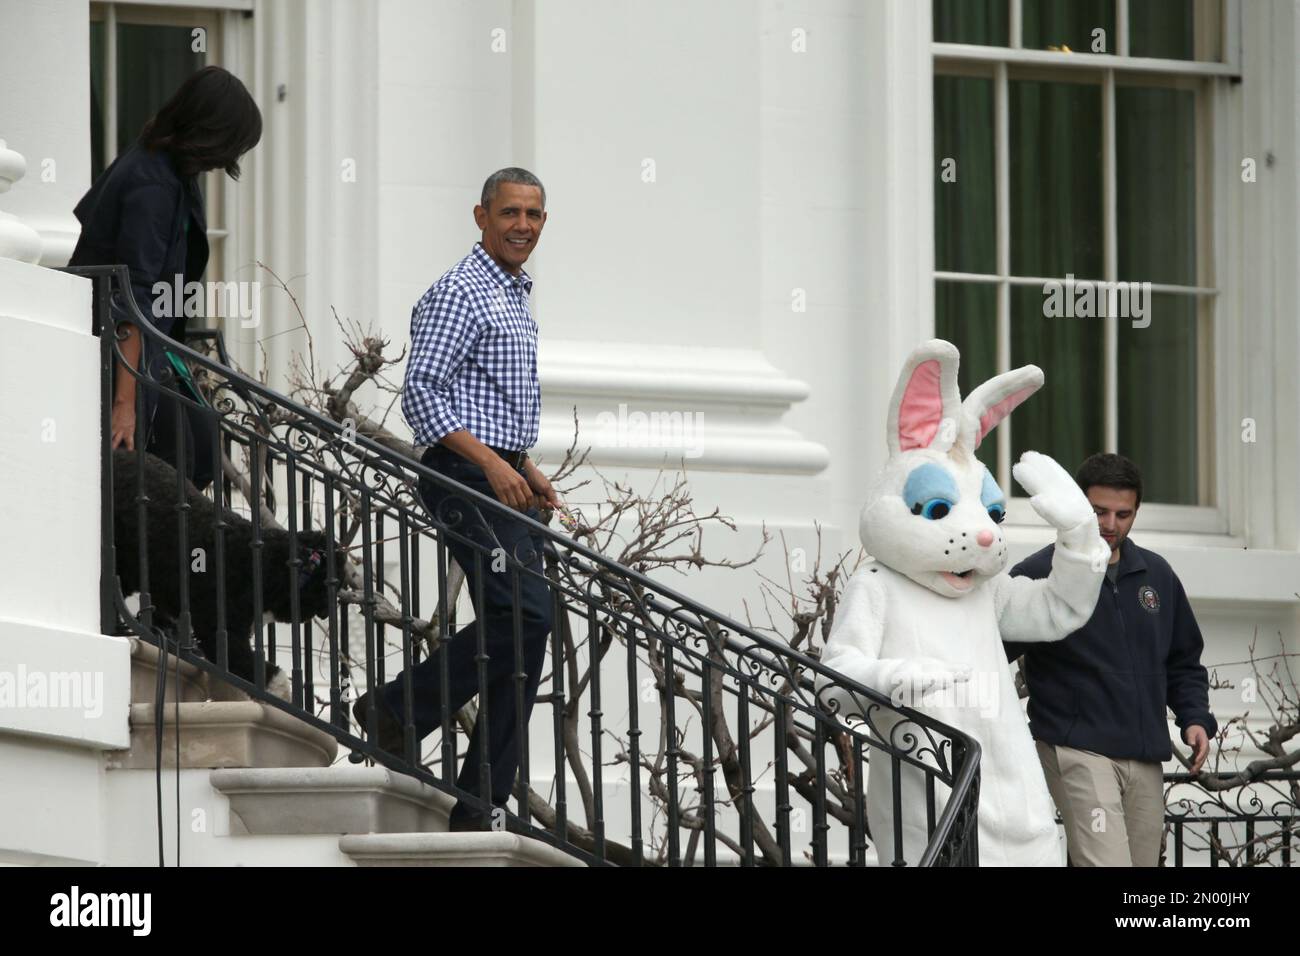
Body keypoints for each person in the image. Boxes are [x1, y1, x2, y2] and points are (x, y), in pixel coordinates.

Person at [354, 167, 560, 832]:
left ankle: (481, 803)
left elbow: (488, 403)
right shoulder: (460, 292)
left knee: (529, 637)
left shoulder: (514, 292)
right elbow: (423, 396)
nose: (521, 225)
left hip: (503, 479)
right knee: (525, 614)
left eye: (533, 214)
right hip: (463, 480)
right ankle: (396, 706)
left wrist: (526, 466)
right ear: (481, 216)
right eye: (509, 213)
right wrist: (493, 466)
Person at [1004, 453, 1217, 866]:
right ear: (1078, 505)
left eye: (1123, 514)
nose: (1110, 525)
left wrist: (1194, 717)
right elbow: (989, 649)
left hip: (1145, 757)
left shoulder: (1157, 575)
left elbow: (1184, 661)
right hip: (1077, 751)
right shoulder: (1037, 573)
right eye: (1099, 511)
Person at [70, 65, 262, 490]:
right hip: (118, 353)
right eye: (232, 143)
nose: (229, 158)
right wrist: (125, 403)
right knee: (175, 467)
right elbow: (129, 296)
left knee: (203, 455)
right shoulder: (152, 183)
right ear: (209, 131)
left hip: (153, 346)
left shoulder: (174, 173)